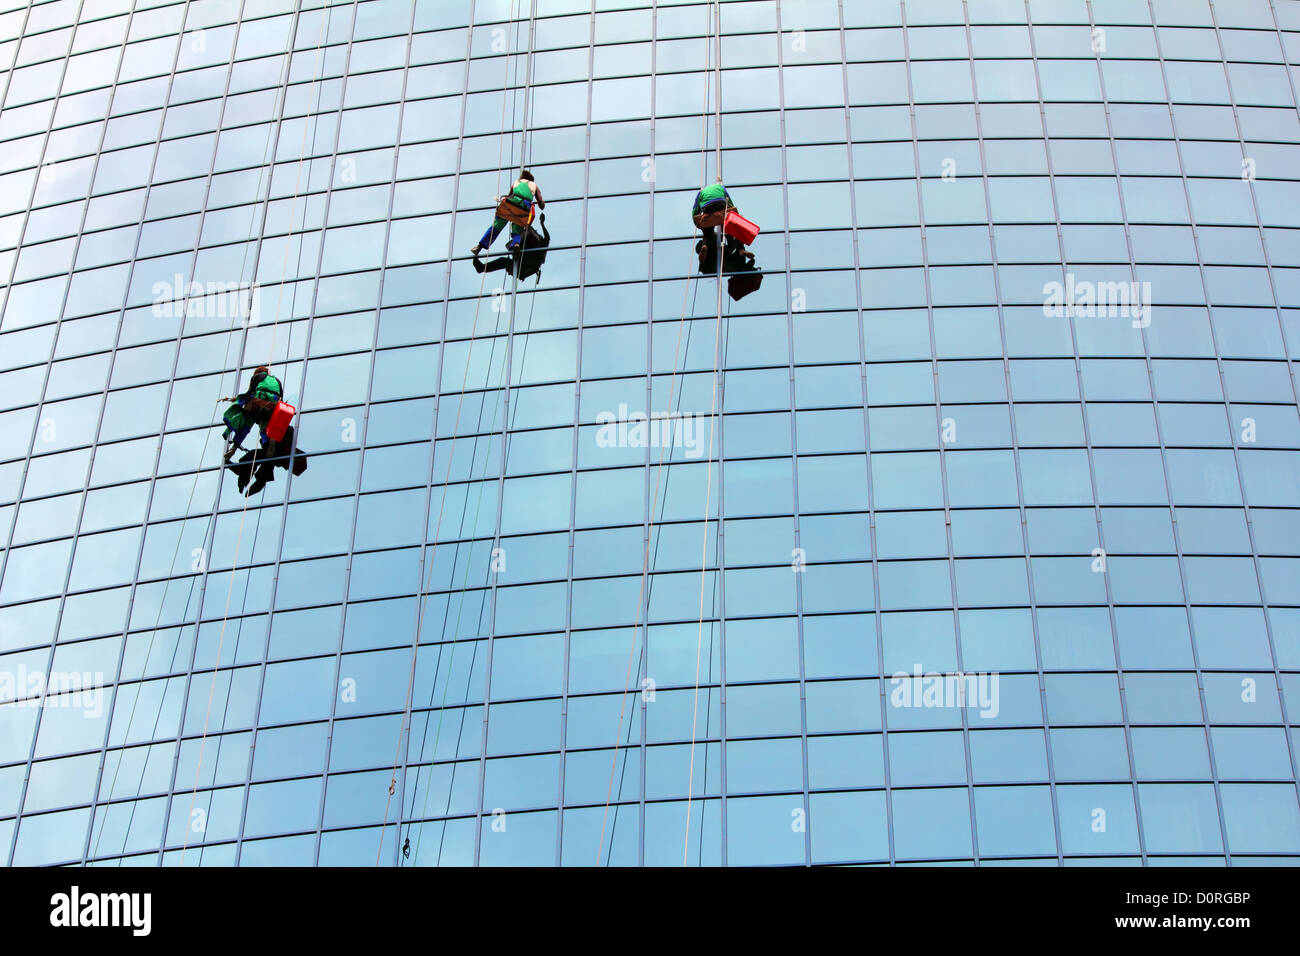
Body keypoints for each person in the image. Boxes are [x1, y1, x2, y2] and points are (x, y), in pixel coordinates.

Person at [472, 170, 544, 257]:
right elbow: (541, 203)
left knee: (497, 224)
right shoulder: (533, 185)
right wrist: (540, 204)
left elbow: (509, 196)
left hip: (511, 204)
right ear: (530, 179)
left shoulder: (516, 183)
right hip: (524, 207)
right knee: (518, 227)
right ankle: (516, 244)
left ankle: (480, 246)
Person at [219, 365, 282, 462]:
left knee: (246, 423)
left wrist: (238, 400)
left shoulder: (257, 377)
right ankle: (270, 439)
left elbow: (250, 393)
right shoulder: (277, 381)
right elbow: (280, 396)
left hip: (259, 402)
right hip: (273, 406)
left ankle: (234, 448)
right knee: (266, 424)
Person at [226, 423, 308, 497]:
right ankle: (248, 476)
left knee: (259, 457)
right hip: (276, 446)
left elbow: (281, 438)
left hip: (279, 447)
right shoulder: (265, 424)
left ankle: (249, 476)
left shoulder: (275, 423)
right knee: (258, 456)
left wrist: (272, 443)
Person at [473, 212, 550, 282]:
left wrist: (542, 224)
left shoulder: (540, 243)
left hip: (526, 268)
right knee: (503, 261)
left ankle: (481, 268)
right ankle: (481, 268)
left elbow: (547, 237)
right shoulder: (525, 240)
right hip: (522, 263)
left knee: (503, 261)